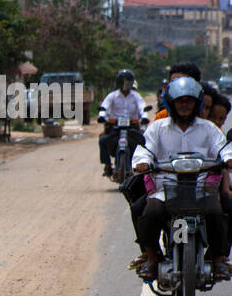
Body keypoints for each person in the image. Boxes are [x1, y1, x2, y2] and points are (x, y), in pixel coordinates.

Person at [132, 75, 232, 281]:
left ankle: (218, 257)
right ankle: (151, 257)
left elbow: (224, 148)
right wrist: (142, 162)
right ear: (171, 103)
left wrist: (228, 159)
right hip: (165, 190)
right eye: (180, 101)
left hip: (201, 191)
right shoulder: (158, 128)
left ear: (197, 103)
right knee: (149, 213)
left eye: (189, 101)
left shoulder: (208, 129)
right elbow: (144, 149)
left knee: (216, 212)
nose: (184, 105)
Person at [98, 69, 146, 177]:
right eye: (124, 82)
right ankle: (107, 165)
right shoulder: (112, 96)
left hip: (132, 128)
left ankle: (142, 167)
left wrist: (144, 117)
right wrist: (102, 116)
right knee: (102, 140)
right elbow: (104, 106)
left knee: (144, 142)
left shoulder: (136, 96)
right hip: (115, 128)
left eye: (128, 82)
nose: (126, 85)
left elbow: (142, 107)